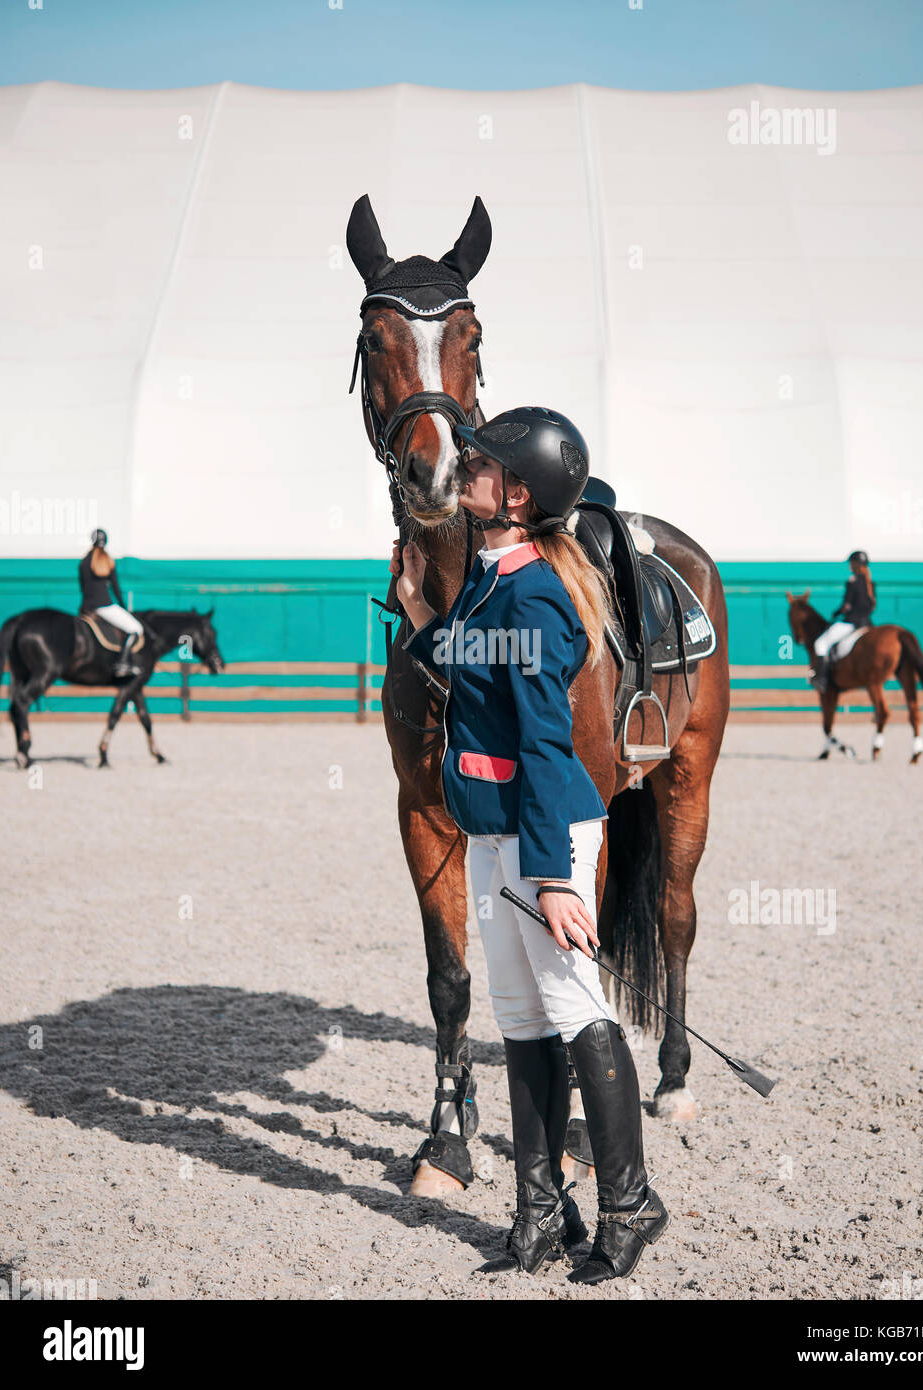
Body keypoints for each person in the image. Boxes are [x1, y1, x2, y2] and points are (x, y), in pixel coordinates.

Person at [390, 406, 669, 1284]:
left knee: (575, 1008)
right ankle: (540, 1211)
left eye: (480, 465)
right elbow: (468, 648)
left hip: (543, 839)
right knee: (517, 1020)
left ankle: (630, 1203)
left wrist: (554, 879)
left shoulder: (539, 596)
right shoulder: (488, 580)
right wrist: (414, 612)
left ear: (517, 496)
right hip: (492, 833)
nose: (464, 470)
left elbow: (546, 746)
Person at [78, 529, 144, 678]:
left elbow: (83, 588)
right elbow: (115, 587)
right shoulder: (107, 561)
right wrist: (124, 607)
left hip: (87, 608)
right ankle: (123, 662)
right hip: (104, 606)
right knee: (136, 628)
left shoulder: (84, 562)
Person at [810, 550, 876, 694]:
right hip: (867, 624)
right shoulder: (871, 584)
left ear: (856, 564)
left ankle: (821, 679)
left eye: (852, 563)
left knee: (820, 643)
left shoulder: (852, 582)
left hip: (851, 623)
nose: (850, 566)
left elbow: (847, 606)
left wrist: (836, 613)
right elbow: (871, 606)